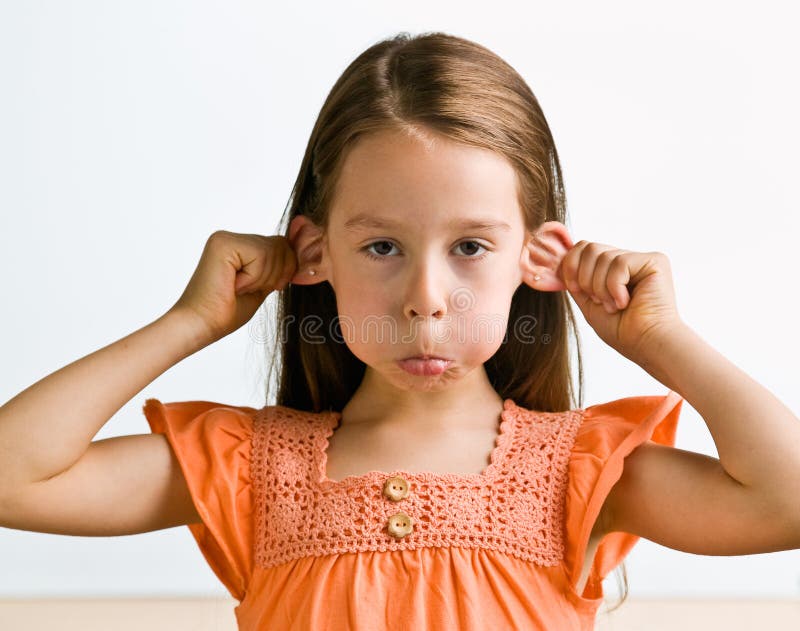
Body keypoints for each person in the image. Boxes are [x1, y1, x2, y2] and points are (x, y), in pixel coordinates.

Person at [1, 31, 799, 631]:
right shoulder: (249, 468)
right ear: (314, 251)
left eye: (470, 247)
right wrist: (190, 321)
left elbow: (785, 502)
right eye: (382, 246)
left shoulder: (579, 470)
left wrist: (661, 338)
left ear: (536, 257)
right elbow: (14, 476)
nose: (425, 300)